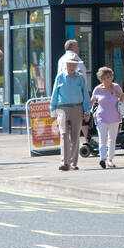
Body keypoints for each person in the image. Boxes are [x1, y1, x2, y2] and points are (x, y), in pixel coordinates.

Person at [50, 39, 92, 171]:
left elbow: (85, 94)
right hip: (62, 108)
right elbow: (55, 92)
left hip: (77, 107)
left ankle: (73, 163)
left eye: (75, 64)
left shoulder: (80, 78)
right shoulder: (60, 77)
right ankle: (64, 162)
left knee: (75, 136)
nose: (72, 66)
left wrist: (87, 110)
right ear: (66, 64)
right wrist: (52, 110)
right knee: (63, 134)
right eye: (70, 64)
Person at [91, 68, 124, 169]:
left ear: (112, 77)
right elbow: (92, 101)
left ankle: (110, 159)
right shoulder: (97, 89)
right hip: (101, 117)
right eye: (104, 78)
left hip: (115, 117)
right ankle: (103, 159)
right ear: (101, 79)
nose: (107, 80)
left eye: (108, 77)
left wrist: (118, 94)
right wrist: (87, 112)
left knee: (112, 139)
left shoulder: (116, 87)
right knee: (102, 139)